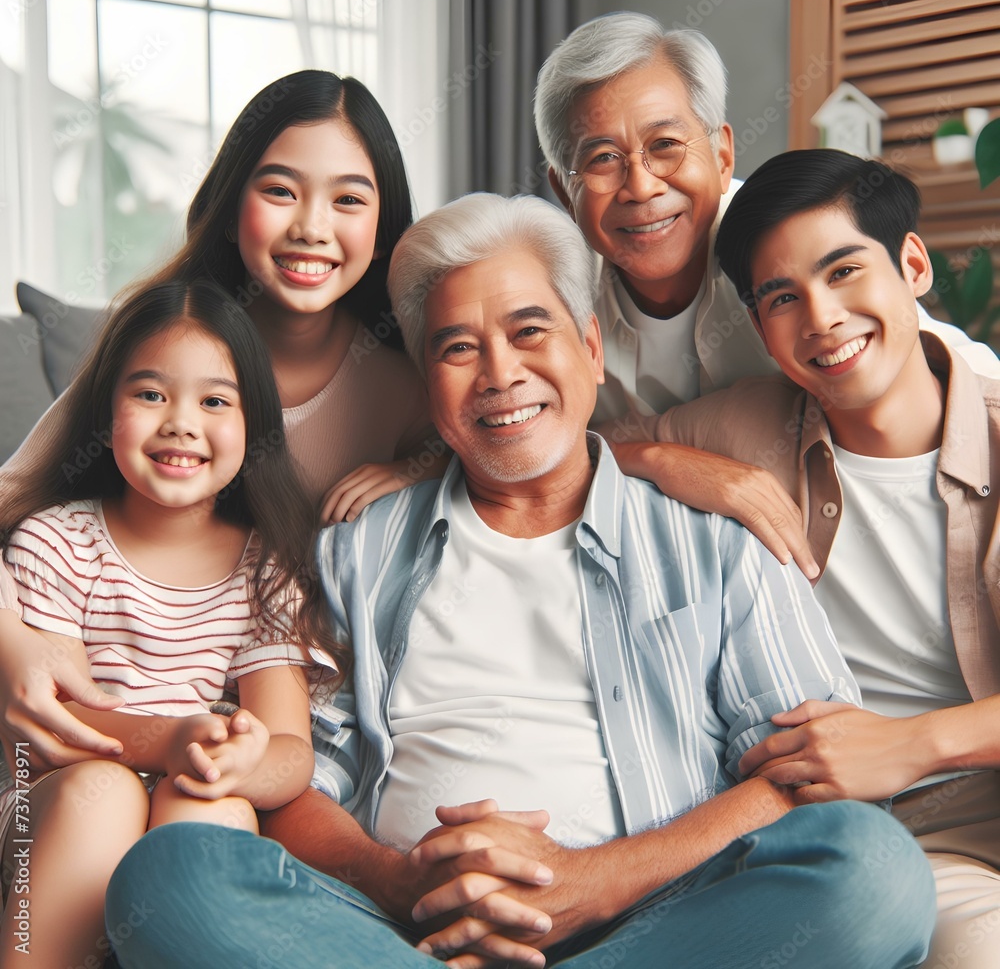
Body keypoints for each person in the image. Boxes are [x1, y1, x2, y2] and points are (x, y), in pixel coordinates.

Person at [105, 194, 935, 969]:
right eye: (457, 347)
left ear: (591, 346)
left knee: (875, 872)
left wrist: (592, 880)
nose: (499, 373)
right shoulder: (355, 548)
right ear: (428, 384)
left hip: (659, 921)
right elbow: (299, 783)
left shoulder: (719, 538)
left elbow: (812, 775)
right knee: (173, 873)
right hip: (397, 931)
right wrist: (400, 880)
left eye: (529, 331)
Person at [0, 69, 436, 777]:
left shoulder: (403, 380)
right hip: (129, 715)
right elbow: (9, 498)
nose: (311, 228)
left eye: (348, 199)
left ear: (385, 230)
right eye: (280, 190)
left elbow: (485, 470)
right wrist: (13, 646)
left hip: (281, 724)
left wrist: (410, 470)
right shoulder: (166, 348)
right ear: (232, 207)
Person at [644, 148, 1000, 967]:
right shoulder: (737, 430)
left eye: (843, 272)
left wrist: (914, 744)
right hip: (867, 845)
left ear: (912, 265)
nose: (822, 317)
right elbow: (573, 448)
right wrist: (671, 462)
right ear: (760, 328)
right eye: (782, 298)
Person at [534, 11, 1000, 576]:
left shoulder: (784, 249)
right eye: (602, 158)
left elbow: (935, 367)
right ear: (563, 187)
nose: (641, 186)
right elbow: (522, 446)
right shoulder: (549, 295)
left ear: (724, 153)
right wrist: (665, 460)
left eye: (665, 144)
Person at [0, 280, 344, 967]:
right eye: (151, 395)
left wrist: (245, 760)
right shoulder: (57, 541)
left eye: (215, 401)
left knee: (213, 809)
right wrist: (170, 739)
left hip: (183, 788)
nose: (181, 423)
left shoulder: (264, 568)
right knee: (104, 794)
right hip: (56, 799)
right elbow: (47, 730)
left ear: (256, 426)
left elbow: (290, 751)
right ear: (105, 412)